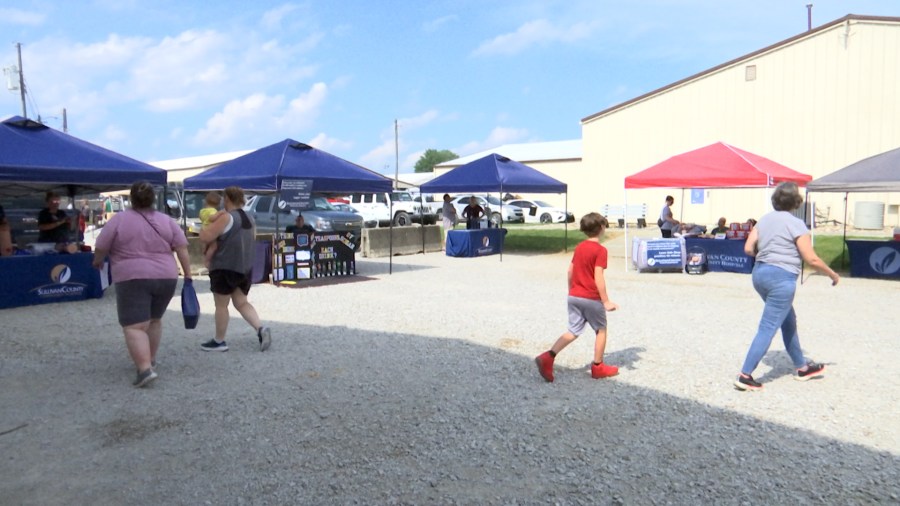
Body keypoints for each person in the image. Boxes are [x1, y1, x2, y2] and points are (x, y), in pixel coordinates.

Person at [734, 182, 840, 392]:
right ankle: (745, 375)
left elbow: (748, 248)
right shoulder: (796, 224)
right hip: (781, 279)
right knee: (768, 327)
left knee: (788, 320)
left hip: (759, 274)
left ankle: (802, 367)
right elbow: (811, 258)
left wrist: (766, 255)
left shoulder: (764, 220)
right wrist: (832, 274)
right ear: (796, 202)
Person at [91, 181, 192, 388]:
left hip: (132, 276)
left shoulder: (119, 220)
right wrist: (188, 275)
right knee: (154, 320)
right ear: (153, 199)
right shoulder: (166, 220)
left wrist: (97, 261)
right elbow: (182, 248)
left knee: (134, 326)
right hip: (166, 276)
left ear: (131, 198)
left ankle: (144, 369)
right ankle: (150, 359)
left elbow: (101, 246)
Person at [535, 212, 620, 382]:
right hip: (591, 298)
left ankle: (548, 356)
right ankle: (598, 367)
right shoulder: (600, 250)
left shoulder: (580, 247)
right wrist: (605, 301)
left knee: (573, 331)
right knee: (601, 330)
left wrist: (572, 290)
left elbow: (570, 271)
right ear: (601, 228)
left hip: (574, 295)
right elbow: (598, 276)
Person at [199, 186, 272, 353]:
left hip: (225, 266)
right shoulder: (250, 218)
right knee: (241, 302)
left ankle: (219, 340)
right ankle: (260, 328)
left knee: (221, 305)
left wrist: (204, 225)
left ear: (227, 199)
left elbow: (205, 236)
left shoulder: (226, 217)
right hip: (244, 267)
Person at [200, 192, 223, 267]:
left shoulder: (202, 211)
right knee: (213, 246)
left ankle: (204, 253)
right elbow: (212, 218)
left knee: (206, 245)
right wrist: (220, 214)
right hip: (210, 230)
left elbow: (201, 218)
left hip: (203, 229)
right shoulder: (213, 211)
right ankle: (207, 260)